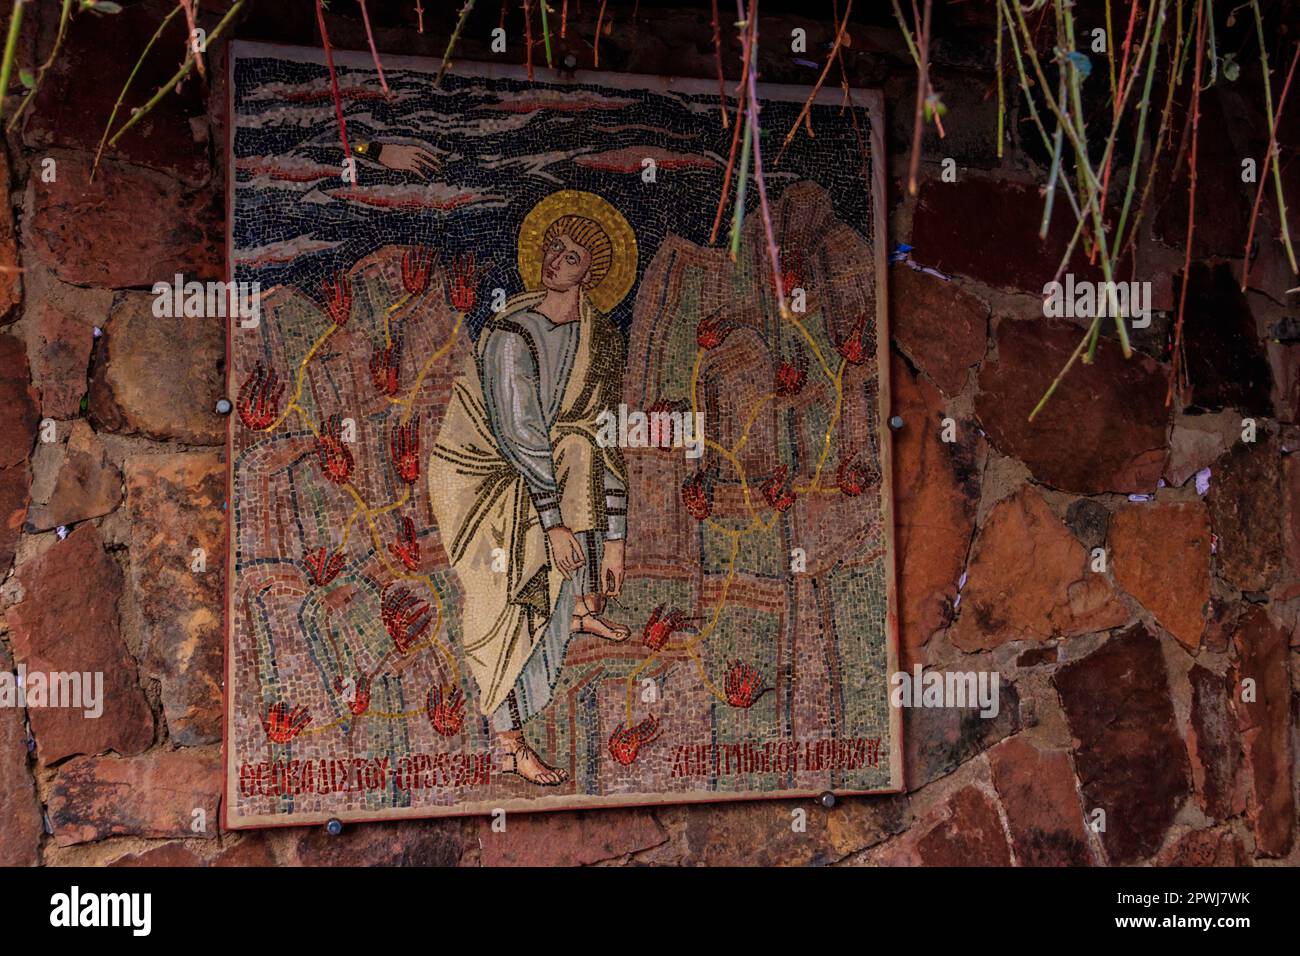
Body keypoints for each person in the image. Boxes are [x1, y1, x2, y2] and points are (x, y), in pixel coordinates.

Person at [429, 190, 639, 786]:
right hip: (483, 474)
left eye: (570, 256)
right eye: (552, 249)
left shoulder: (600, 341)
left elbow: (604, 434)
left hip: (547, 473)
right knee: (498, 604)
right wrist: (553, 525)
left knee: (577, 443)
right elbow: (520, 435)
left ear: (591, 273)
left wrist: (615, 541)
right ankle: (508, 741)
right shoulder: (509, 335)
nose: (554, 261)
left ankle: (571, 604)